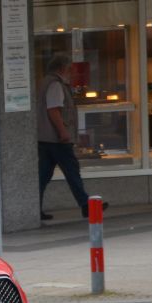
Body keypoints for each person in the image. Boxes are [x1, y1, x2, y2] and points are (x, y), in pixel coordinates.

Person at [37, 53, 107, 220]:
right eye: (70, 69)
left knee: (43, 175)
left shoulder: (44, 82)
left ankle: (34, 208)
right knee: (72, 171)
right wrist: (63, 132)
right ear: (62, 68)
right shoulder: (55, 85)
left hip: (45, 138)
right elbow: (53, 110)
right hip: (57, 139)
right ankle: (85, 205)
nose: (72, 72)